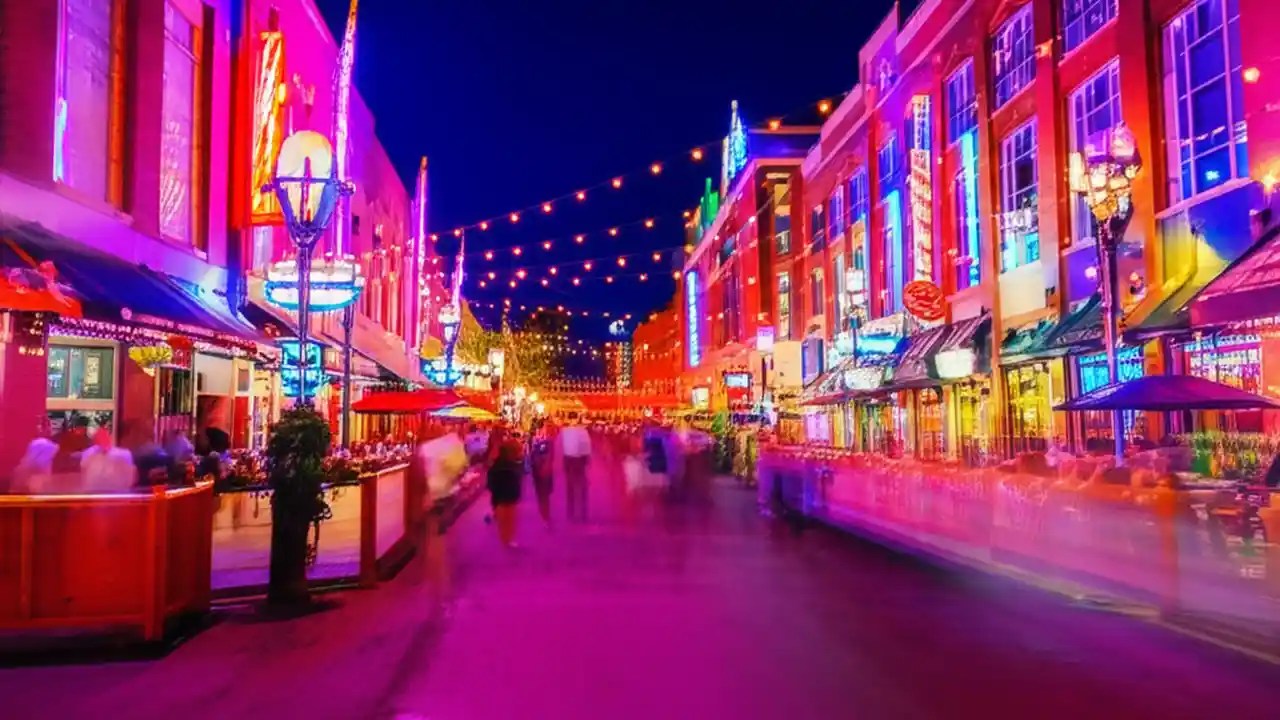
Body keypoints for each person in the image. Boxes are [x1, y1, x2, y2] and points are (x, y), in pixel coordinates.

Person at [487, 429, 525, 547]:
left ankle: (506, 538)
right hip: (505, 492)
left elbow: (491, 474)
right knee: (508, 516)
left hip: (503, 492)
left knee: (507, 516)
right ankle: (507, 538)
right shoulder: (502, 455)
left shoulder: (500, 454)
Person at [79, 428, 137, 493]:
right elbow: (84, 478)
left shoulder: (124, 454)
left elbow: (130, 478)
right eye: (100, 437)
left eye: (103, 437)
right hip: (96, 496)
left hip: (118, 496)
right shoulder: (88, 454)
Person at [558, 413, 593, 523]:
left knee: (571, 486)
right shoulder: (582, 431)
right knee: (580, 486)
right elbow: (587, 446)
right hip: (578, 460)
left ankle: (573, 512)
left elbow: (560, 446)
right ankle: (581, 512)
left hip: (570, 460)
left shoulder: (564, 431)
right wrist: (588, 460)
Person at [528, 424, 556, 528]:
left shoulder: (549, 442)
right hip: (539, 471)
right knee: (542, 495)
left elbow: (547, 457)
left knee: (543, 496)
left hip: (543, 472)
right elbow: (534, 454)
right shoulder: (541, 441)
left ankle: (546, 518)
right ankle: (545, 517)